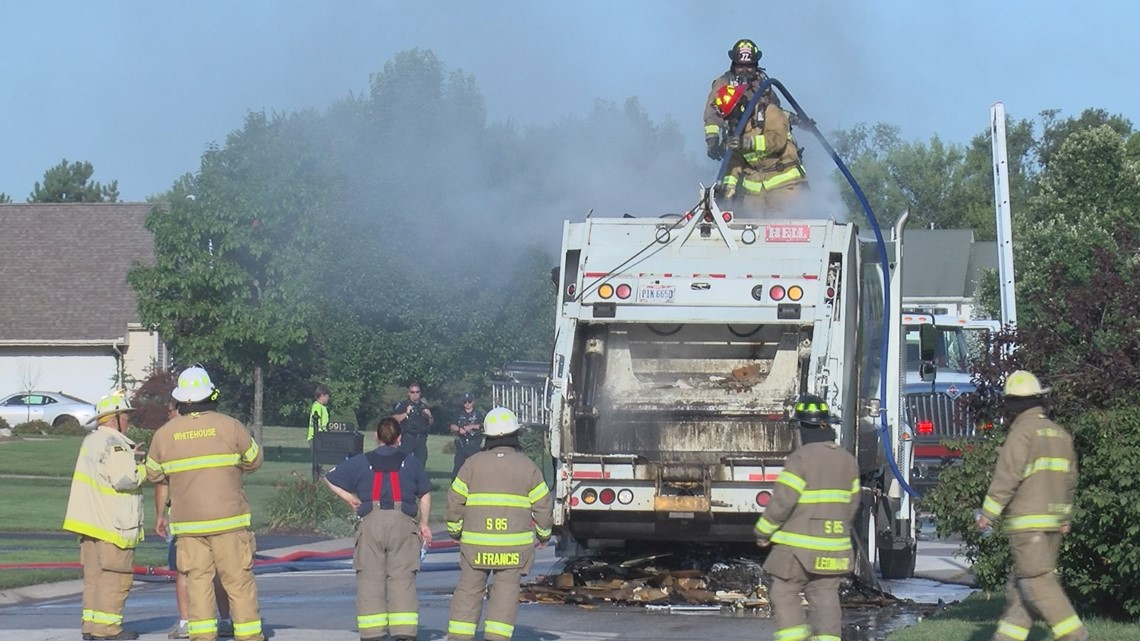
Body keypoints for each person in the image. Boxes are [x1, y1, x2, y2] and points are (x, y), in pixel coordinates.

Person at [146, 366, 265, 641]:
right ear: (210, 394)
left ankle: (202, 636)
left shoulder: (165, 434)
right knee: (238, 583)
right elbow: (254, 460)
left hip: (189, 527)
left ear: (180, 400)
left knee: (197, 583)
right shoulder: (230, 426)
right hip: (230, 523)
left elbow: (153, 472)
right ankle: (248, 636)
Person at [976, 371, 1086, 641]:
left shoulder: (1021, 434)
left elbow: (1007, 477)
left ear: (1012, 403)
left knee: (1037, 582)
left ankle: (1075, 635)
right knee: (1022, 589)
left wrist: (987, 514)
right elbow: (1069, 480)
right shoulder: (1060, 435)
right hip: (1051, 525)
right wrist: (1064, 516)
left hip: (1028, 526)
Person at [754, 395, 859, 641]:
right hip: (835, 548)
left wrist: (763, 532)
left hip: (799, 549)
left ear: (802, 427)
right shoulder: (848, 461)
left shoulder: (800, 459)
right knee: (825, 596)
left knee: (783, 593)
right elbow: (852, 506)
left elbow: (781, 503)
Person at [445, 407, 554, 641]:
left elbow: (454, 501)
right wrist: (543, 535)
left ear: (487, 436)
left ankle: (460, 638)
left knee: (468, 591)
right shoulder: (528, 467)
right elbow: (544, 505)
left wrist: (455, 531)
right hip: (513, 550)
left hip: (476, 547)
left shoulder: (471, 464)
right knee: (505, 593)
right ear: (515, 435)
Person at [324, 417, 432, 641]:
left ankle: (373, 633)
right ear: (399, 438)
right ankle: (404, 632)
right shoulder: (411, 462)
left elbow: (330, 477)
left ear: (376, 436)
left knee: (370, 580)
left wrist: (349, 498)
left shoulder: (361, 461)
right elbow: (425, 494)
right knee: (402, 580)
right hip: (403, 526)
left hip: (371, 527)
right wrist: (424, 524)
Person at [63, 391, 146, 641]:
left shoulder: (92, 440)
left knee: (94, 578)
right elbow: (125, 479)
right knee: (115, 577)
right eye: (127, 416)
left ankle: (91, 626)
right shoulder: (116, 443)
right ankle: (107, 630)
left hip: (90, 525)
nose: (129, 421)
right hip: (112, 525)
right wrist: (145, 468)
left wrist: (131, 458)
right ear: (116, 417)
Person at [156, 399, 232, 640]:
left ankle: (186, 622)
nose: (168, 416)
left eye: (169, 411)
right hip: (220, 515)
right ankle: (226, 619)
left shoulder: (168, 437)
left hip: (184, 519)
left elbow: (160, 482)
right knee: (220, 570)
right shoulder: (215, 430)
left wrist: (160, 515)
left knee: (185, 572)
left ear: (179, 409)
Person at [704, 38, 808, 215]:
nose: (744, 70)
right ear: (733, 64)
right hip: (754, 184)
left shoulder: (764, 90)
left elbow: (777, 129)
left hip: (783, 181)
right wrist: (725, 193)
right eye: (740, 66)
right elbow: (713, 115)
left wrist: (798, 120)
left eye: (749, 66)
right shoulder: (723, 85)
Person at [392, 383, 433, 464]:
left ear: (420, 393)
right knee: (403, 462)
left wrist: (429, 416)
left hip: (421, 439)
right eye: (412, 392)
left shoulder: (423, 406)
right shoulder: (403, 405)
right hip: (407, 438)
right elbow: (394, 419)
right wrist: (406, 413)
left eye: (417, 392)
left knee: (421, 461)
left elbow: (431, 423)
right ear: (409, 393)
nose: (415, 394)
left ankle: (418, 476)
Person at [448, 393, 483, 480]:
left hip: (474, 444)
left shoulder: (478, 414)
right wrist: (459, 429)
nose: (467, 404)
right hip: (462, 444)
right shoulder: (458, 414)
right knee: (458, 468)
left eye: (469, 401)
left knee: (475, 468)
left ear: (473, 402)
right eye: (465, 402)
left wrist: (472, 426)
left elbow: (483, 426)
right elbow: (452, 426)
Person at [308, 384, 331, 480]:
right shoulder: (317, 407)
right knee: (317, 461)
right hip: (316, 437)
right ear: (322, 396)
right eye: (327, 396)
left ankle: (318, 479)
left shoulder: (322, 407)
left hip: (321, 437)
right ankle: (316, 480)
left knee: (320, 461)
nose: (328, 398)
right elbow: (316, 422)